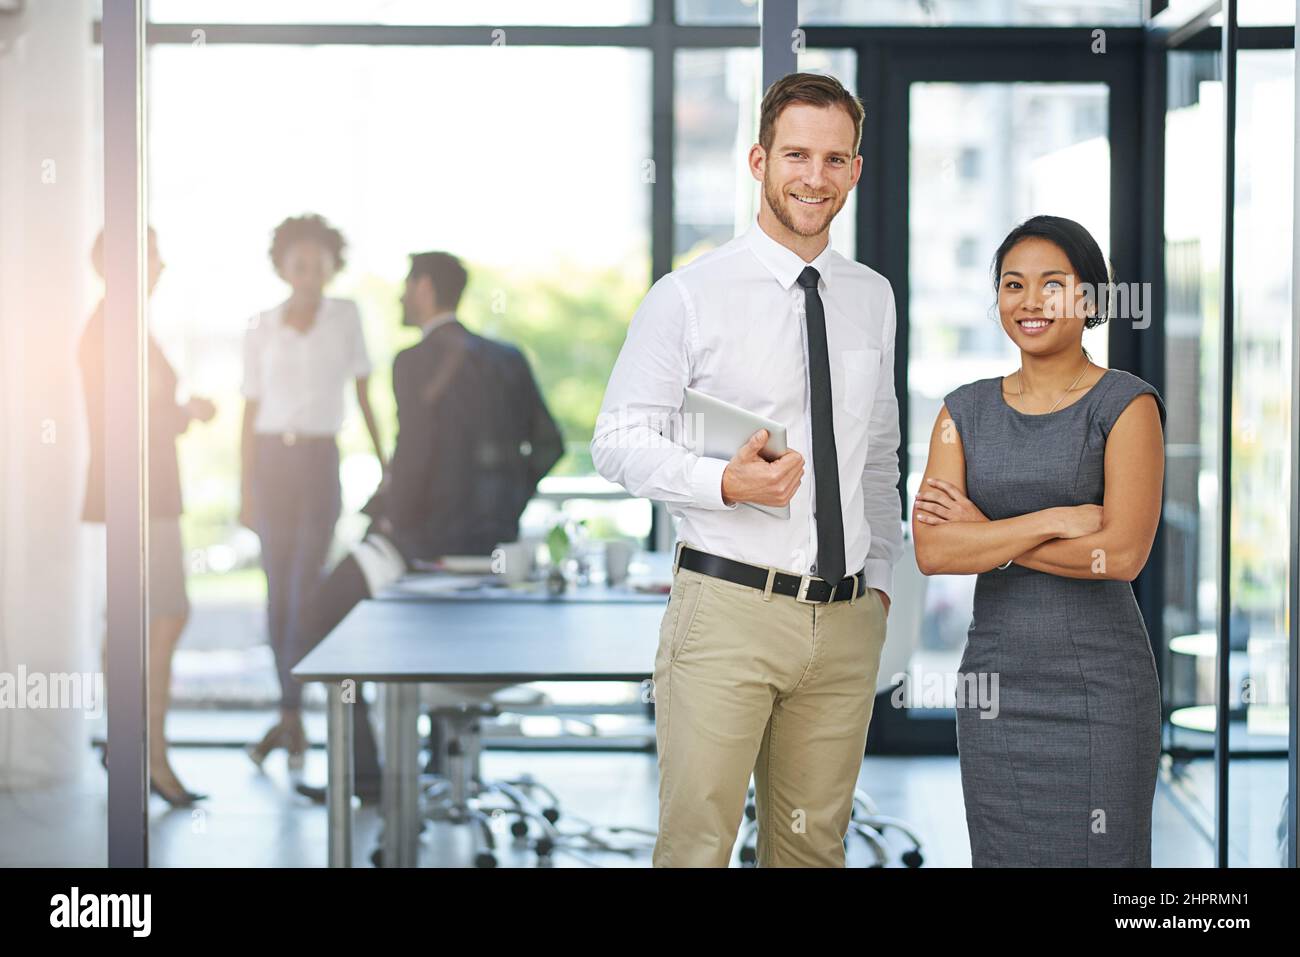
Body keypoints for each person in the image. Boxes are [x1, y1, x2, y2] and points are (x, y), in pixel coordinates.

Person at [592, 72, 903, 867]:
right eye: (797, 154)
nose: (815, 176)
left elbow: (877, 453)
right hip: (729, 608)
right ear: (760, 160)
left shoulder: (871, 297)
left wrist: (880, 584)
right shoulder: (688, 296)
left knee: (813, 853)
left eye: (835, 159)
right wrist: (722, 482)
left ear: (856, 171)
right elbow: (618, 438)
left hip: (844, 622)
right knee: (698, 849)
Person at [912, 214, 1166, 866]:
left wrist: (986, 534)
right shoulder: (961, 411)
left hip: (1100, 692)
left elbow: (1123, 554)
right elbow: (935, 550)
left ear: (1090, 299)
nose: (1029, 301)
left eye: (1052, 284)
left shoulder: (1127, 406)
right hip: (998, 691)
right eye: (1012, 284)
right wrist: (1052, 519)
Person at [294, 250, 565, 801]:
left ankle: (366, 777)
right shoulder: (508, 358)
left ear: (423, 288)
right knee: (445, 638)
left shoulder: (413, 360)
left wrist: (393, 519)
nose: (398, 296)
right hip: (491, 549)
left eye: (403, 285)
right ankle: (442, 761)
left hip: (424, 544)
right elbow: (550, 444)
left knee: (318, 618)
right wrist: (505, 505)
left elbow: (414, 455)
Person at [240, 213, 386, 772]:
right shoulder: (261, 325)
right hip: (272, 460)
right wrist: (244, 489)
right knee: (277, 593)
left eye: (318, 262)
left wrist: (385, 464)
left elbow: (366, 394)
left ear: (332, 267)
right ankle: (290, 713)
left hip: (320, 460)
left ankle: (292, 711)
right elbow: (249, 411)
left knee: (306, 589)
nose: (308, 272)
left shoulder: (346, 317)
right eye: (298, 262)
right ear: (282, 267)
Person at [79, 227, 217, 807]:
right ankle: (147, 755)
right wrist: (185, 411)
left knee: (142, 619)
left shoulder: (125, 324)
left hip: (143, 489)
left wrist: (178, 411)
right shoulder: (113, 326)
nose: (161, 265)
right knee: (162, 616)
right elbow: (129, 417)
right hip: (138, 492)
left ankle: (133, 746)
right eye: (153, 255)